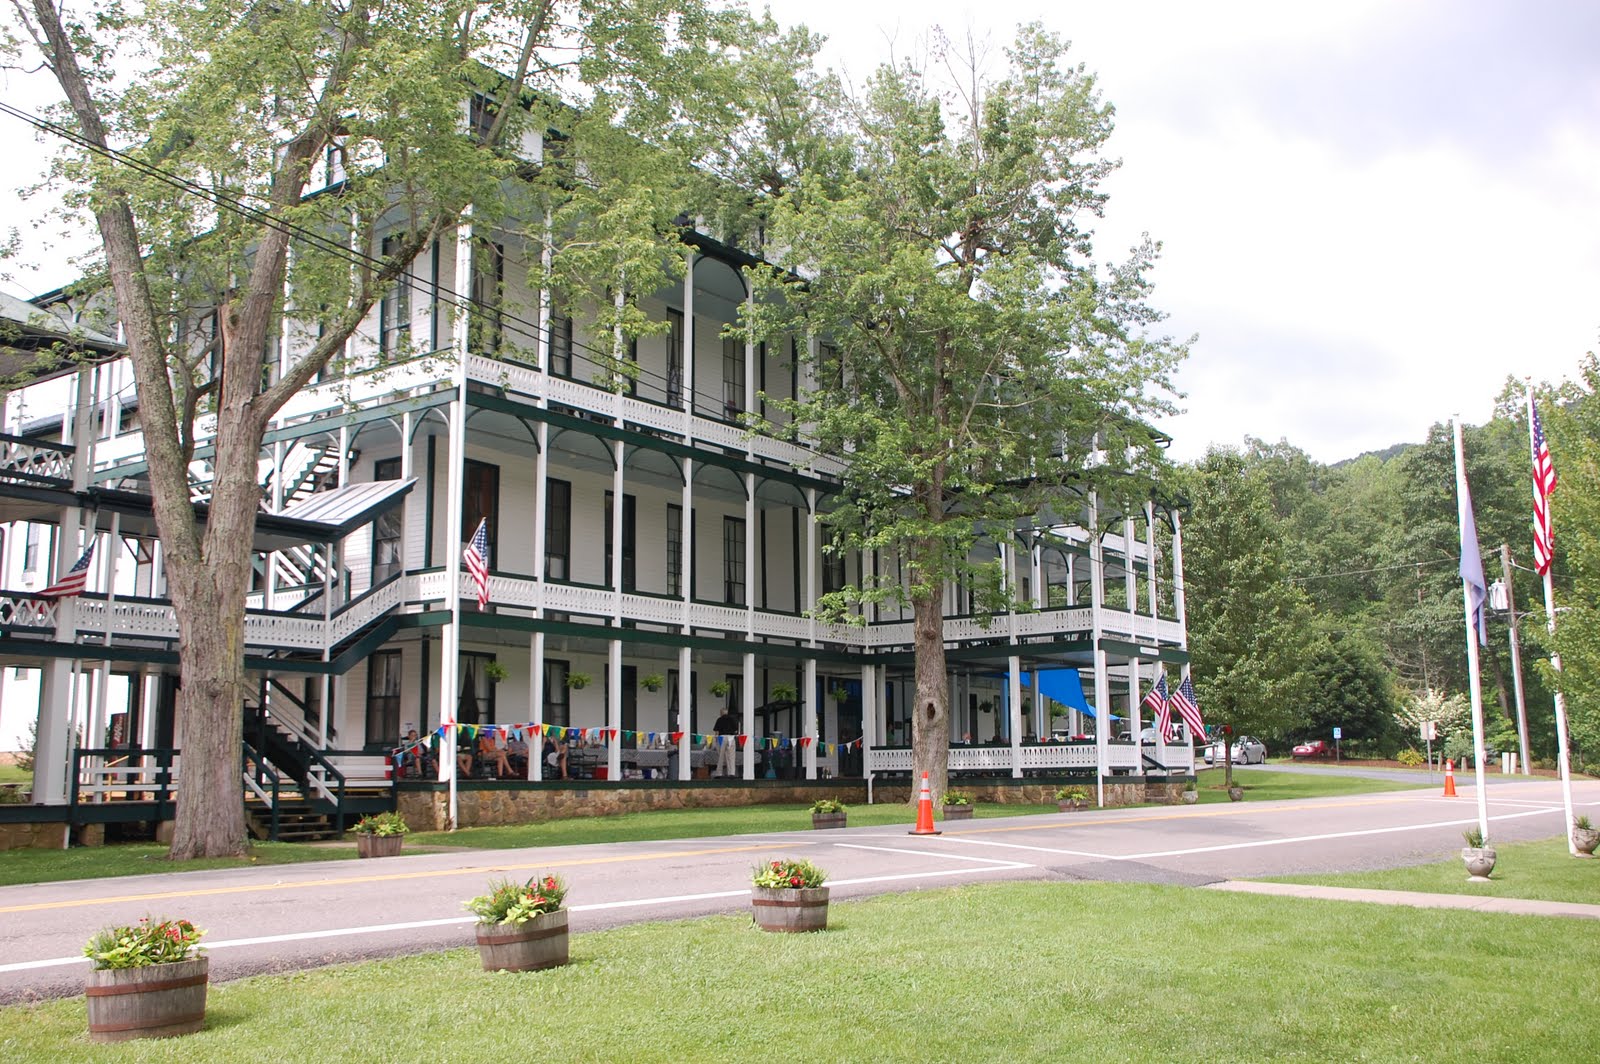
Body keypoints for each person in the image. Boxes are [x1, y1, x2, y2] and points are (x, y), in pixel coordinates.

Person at [713, 706, 739, 777]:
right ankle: (731, 773)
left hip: (721, 737)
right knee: (731, 756)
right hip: (731, 738)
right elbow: (736, 730)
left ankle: (719, 773)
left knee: (720, 756)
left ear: (721, 713)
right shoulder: (732, 719)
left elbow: (716, 731)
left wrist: (716, 740)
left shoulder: (719, 719)